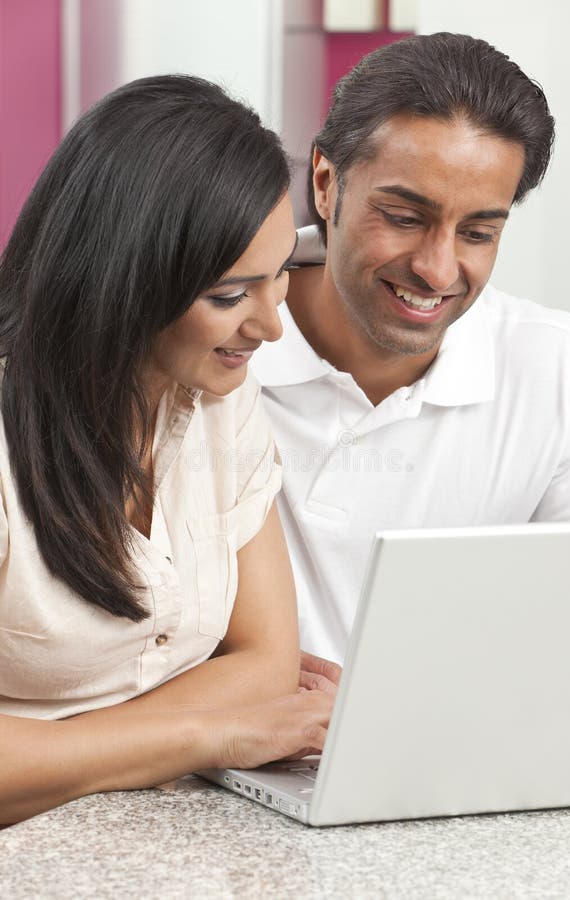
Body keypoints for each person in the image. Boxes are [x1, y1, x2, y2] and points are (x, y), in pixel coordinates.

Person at [0, 75, 333, 826]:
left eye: (279, 275)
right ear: (122, 281)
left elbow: (266, 667)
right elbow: (240, 706)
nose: (270, 326)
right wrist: (203, 731)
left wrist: (35, 753)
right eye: (228, 296)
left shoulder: (219, 395)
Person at [252, 32, 570, 664]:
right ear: (326, 183)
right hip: (225, 752)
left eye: (478, 232)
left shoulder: (560, 374)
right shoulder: (212, 341)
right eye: (405, 218)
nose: (439, 271)